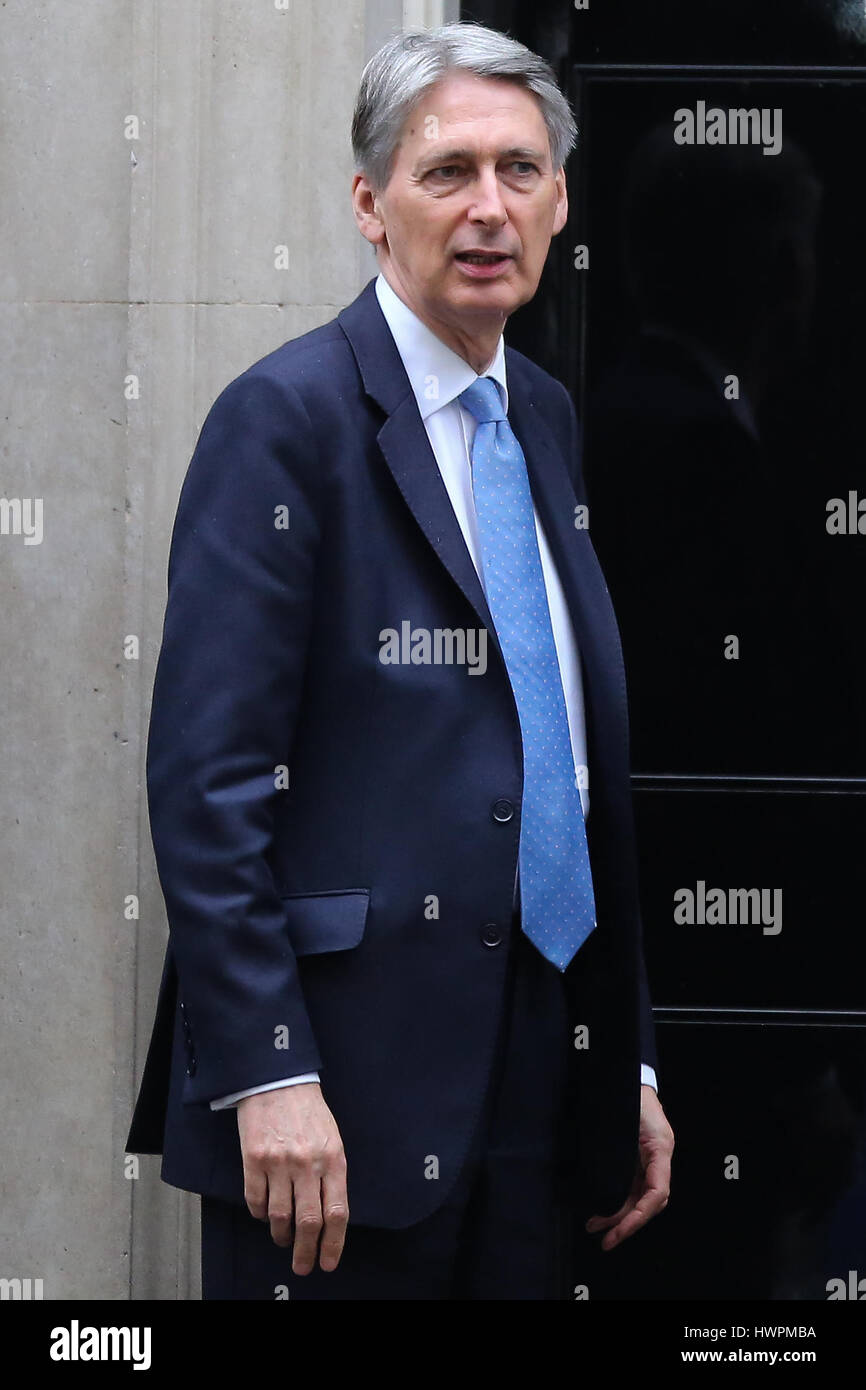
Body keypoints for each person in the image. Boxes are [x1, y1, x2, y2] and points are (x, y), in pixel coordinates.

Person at [125, 20, 674, 1301]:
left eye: (520, 171)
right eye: (447, 173)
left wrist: (624, 1063)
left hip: (539, 1079)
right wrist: (267, 1073)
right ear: (370, 207)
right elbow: (206, 787)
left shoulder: (538, 414)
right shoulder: (284, 420)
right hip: (336, 1108)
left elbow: (569, 759)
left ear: (557, 203)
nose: (488, 207)